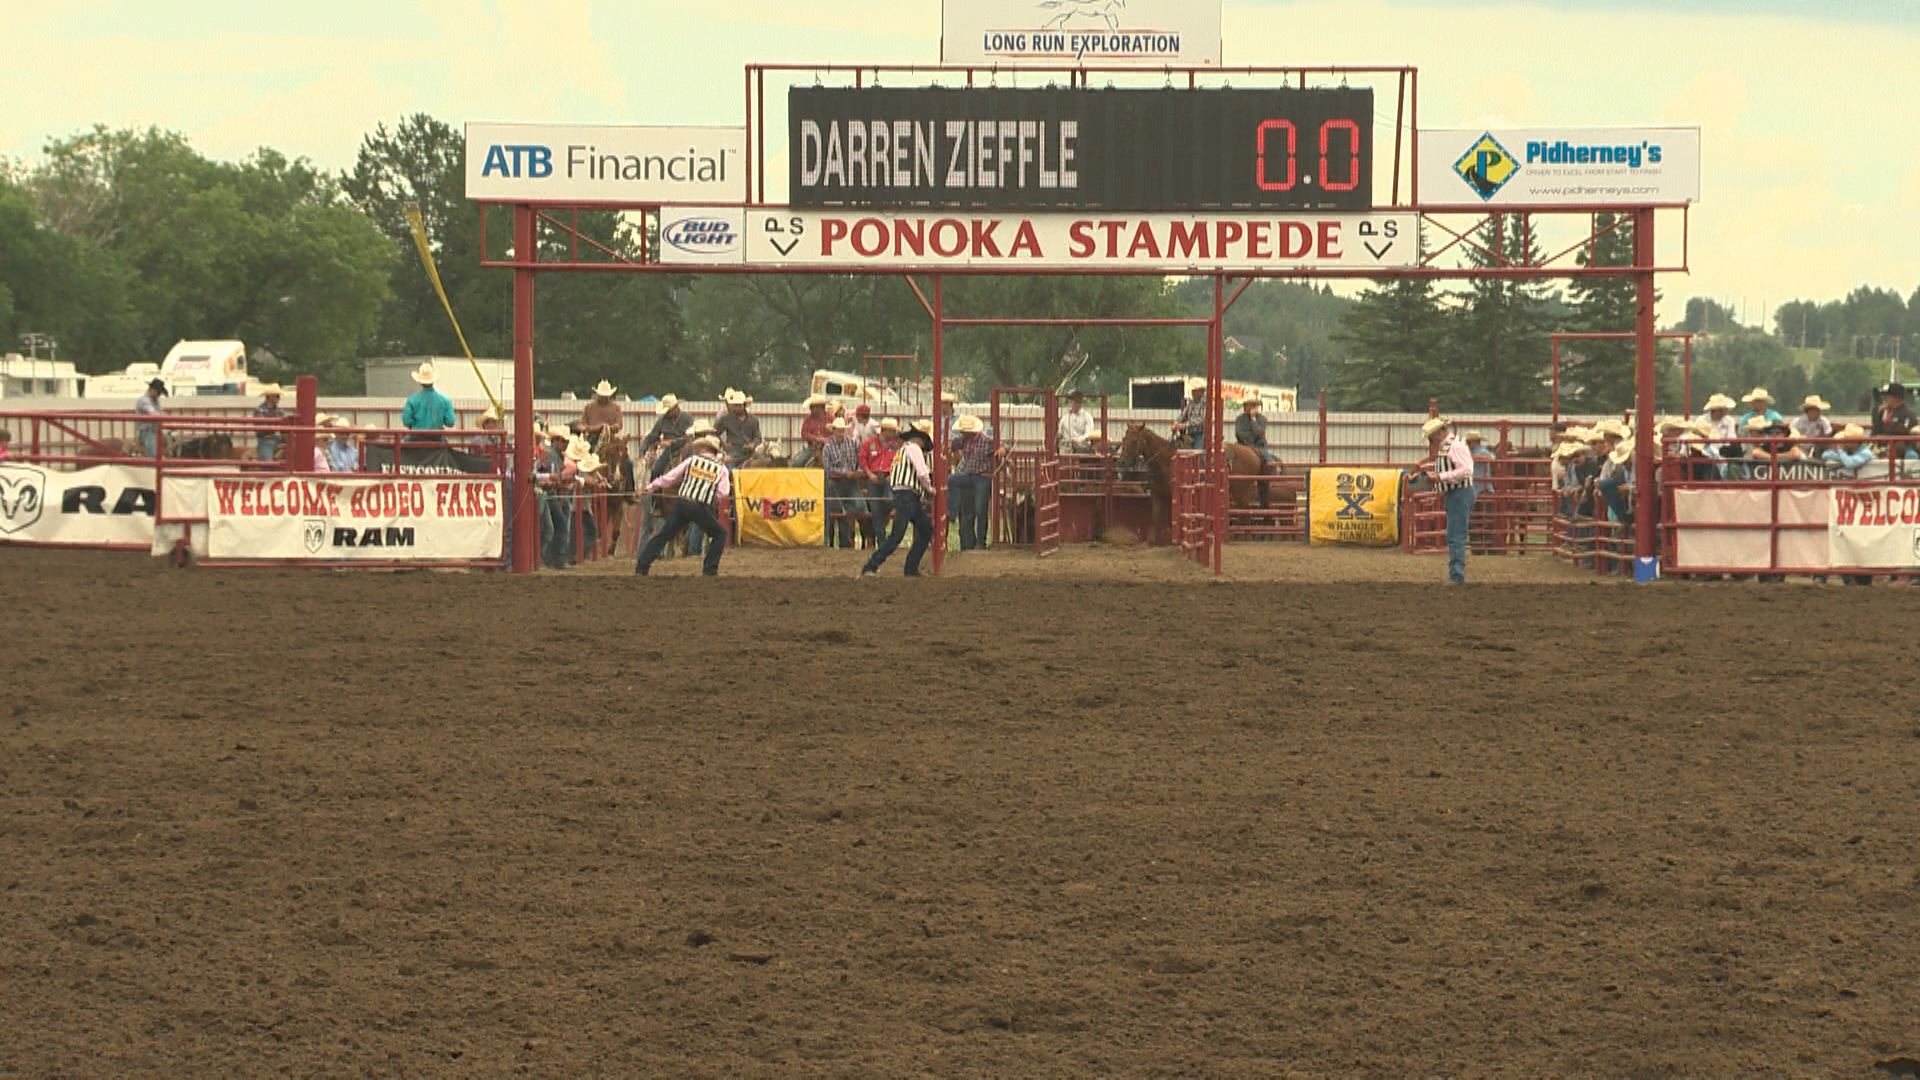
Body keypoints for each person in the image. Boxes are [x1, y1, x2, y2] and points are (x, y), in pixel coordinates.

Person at [634, 436, 731, 577]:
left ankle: (642, 566)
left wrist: (651, 487)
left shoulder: (692, 461)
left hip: (682, 503)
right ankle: (710, 570)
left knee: (664, 535)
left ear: (705, 448)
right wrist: (709, 496)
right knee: (720, 534)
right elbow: (723, 493)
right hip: (700, 507)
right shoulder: (721, 469)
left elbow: (670, 477)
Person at [862, 421, 936, 577]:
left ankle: (910, 568)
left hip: (905, 495)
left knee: (925, 530)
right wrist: (929, 489)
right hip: (907, 496)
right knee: (898, 535)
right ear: (921, 439)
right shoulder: (914, 448)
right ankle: (871, 566)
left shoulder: (901, 451)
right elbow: (922, 473)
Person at [1418, 417, 1478, 584]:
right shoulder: (1450, 446)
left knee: (1456, 534)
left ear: (1439, 433)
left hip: (1460, 493)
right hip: (1456, 493)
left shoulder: (1454, 446)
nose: (1430, 441)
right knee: (1455, 534)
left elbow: (1466, 470)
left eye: (1431, 437)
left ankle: (1456, 574)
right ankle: (1455, 572)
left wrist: (1440, 476)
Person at [948, 413, 1000, 551]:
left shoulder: (987, 440)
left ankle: (980, 542)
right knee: (951, 480)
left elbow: (1001, 445)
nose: (963, 433)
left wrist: (1002, 449)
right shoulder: (963, 440)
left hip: (983, 477)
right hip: (969, 475)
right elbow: (951, 444)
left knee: (980, 509)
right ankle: (952, 511)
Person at [823, 416, 863, 548]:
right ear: (833, 431)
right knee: (836, 510)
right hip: (835, 483)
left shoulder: (853, 443)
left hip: (851, 481)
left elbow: (861, 460)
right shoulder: (827, 447)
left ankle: (845, 541)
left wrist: (857, 471)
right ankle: (838, 542)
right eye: (838, 430)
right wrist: (843, 472)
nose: (840, 433)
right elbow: (827, 468)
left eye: (842, 430)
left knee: (859, 507)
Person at [859, 417, 899, 546]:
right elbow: (862, 459)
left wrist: (891, 475)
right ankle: (881, 540)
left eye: (894, 432)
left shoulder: (896, 447)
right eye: (892, 431)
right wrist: (870, 475)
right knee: (876, 510)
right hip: (874, 477)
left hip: (888, 477)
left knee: (885, 504)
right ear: (885, 431)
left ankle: (881, 539)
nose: (893, 434)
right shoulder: (869, 444)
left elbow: (898, 463)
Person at [401, 362, 456, 441]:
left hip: (416, 438)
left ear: (420, 382)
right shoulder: (444, 400)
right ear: (433, 381)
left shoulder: (412, 400)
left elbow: (406, 421)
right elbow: (450, 422)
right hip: (437, 438)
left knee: (401, 446)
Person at [1871, 382, 1917, 466]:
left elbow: (1905, 432)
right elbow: (1877, 429)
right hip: (1882, 446)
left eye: (1888, 396)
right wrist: (1878, 414)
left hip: (1901, 449)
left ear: (1896, 397)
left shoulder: (1908, 413)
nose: (1886, 399)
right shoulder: (1886, 412)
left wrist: (1886, 436)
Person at [714, 388, 762, 468]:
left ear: (744, 405)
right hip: (734, 451)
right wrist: (723, 444)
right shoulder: (726, 418)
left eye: (739, 405)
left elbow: (758, 436)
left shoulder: (753, 420)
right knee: (730, 468)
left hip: (750, 452)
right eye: (735, 405)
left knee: (764, 463)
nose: (737, 408)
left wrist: (753, 444)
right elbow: (714, 433)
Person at [1233, 396, 1280, 467]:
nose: (1250, 408)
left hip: (1259, 446)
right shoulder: (1240, 419)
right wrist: (1250, 437)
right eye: (1248, 406)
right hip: (1242, 445)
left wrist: (1253, 420)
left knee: (1269, 461)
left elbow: (1259, 433)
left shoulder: (1262, 419)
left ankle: (1274, 471)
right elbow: (1239, 433)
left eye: (1254, 406)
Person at [641, 394, 691, 460]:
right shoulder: (662, 420)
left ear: (675, 407)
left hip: (685, 450)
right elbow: (652, 436)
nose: (667, 413)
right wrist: (642, 450)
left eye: (669, 411)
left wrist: (674, 442)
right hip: (668, 451)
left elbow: (692, 436)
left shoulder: (687, 418)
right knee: (656, 469)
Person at [580, 380, 624, 448]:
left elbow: (619, 425)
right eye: (602, 395)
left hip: (611, 439)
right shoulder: (588, 408)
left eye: (605, 395)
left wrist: (608, 428)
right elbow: (583, 426)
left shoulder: (616, 408)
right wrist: (598, 428)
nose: (604, 397)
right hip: (592, 439)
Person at [794, 394, 833, 468]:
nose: (811, 409)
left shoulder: (831, 418)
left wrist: (826, 440)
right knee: (797, 463)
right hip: (813, 447)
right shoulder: (808, 419)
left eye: (813, 407)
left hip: (829, 448)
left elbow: (836, 432)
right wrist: (816, 438)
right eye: (811, 407)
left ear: (821, 407)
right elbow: (804, 433)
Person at [253, 384, 287, 461]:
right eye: (277, 396)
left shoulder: (280, 411)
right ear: (270, 396)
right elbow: (262, 429)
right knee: (267, 461)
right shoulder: (259, 410)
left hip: (278, 439)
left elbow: (284, 426)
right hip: (266, 440)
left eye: (278, 396)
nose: (279, 398)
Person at [134, 377, 167, 456]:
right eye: (158, 392)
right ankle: (152, 461)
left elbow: (160, 412)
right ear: (152, 390)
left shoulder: (154, 400)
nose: (159, 395)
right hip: (146, 431)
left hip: (154, 430)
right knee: (153, 452)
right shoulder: (144, 400)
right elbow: (155, 414)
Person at [1172, 379, 1208, 450]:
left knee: (1197, 452)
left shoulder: (1205, 404)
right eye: (1192, 390)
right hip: (1190, 433)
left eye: (1194, 390)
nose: (1192, 392)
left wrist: (1184, 425)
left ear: (1201, 391)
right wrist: (1176, 423)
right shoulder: (1191, 403)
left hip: (1200, 434)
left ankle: (1201, 461)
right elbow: (1183, 415)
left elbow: (1201, 420)